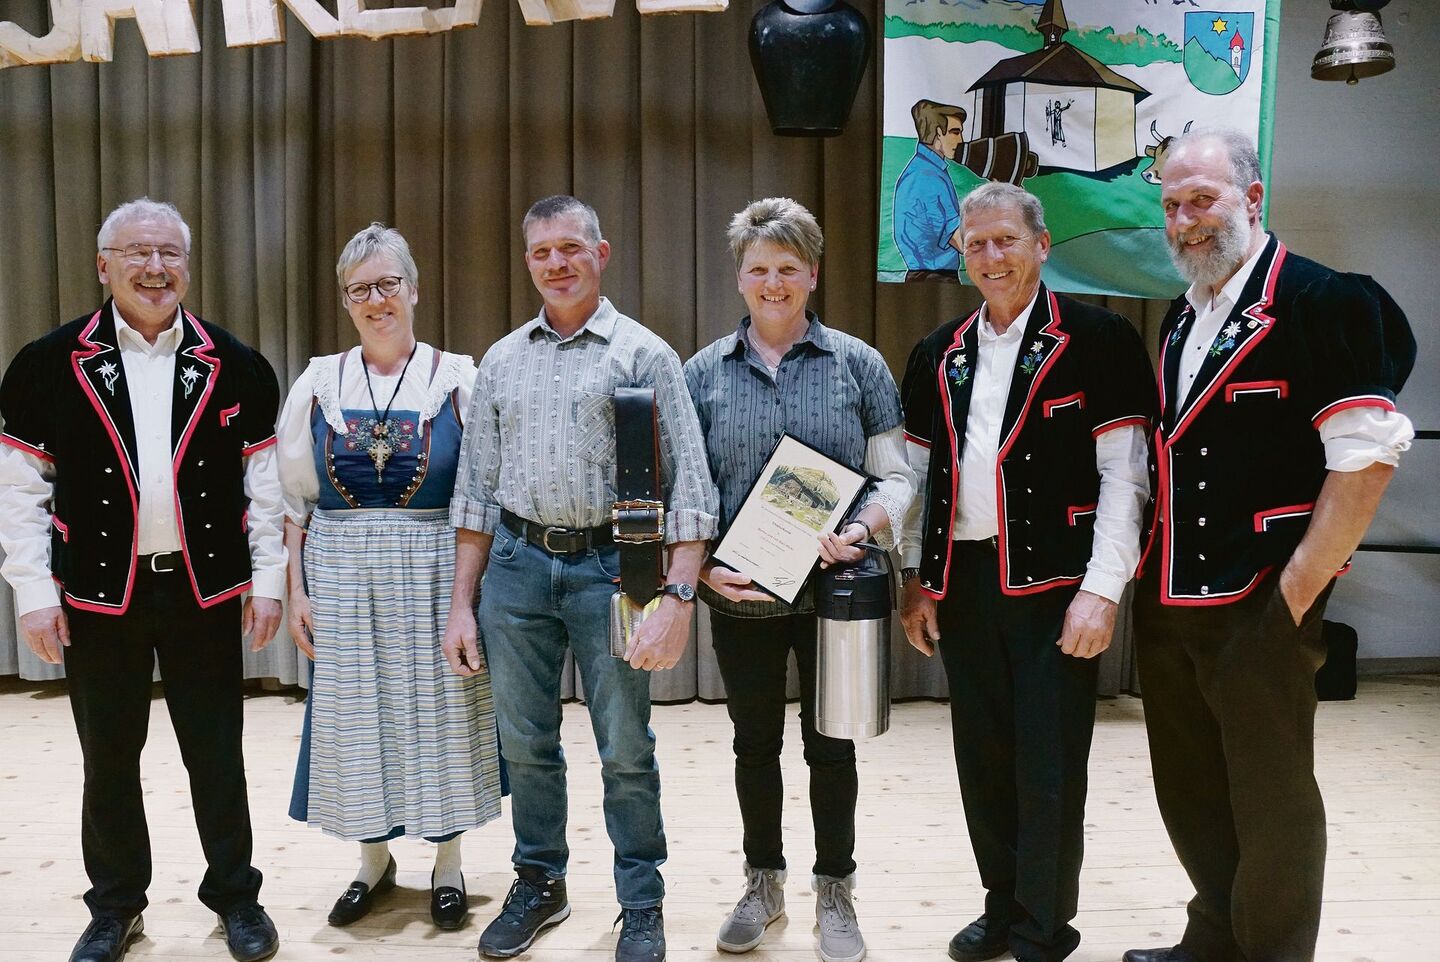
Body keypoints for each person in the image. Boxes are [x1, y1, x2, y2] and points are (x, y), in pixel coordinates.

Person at [1125, 129, 1416, 962]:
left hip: (1262, 601)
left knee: (1272, 796)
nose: (1185, 220)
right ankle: (1215, 932)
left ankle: (1275, 953)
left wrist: (1295, 591)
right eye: (1172, 205)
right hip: (1171, 596)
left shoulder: (1327, 300)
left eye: (1203, 200)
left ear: (1253, 199)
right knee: (1191, 787)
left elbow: (1365, 459)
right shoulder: (1185, 316)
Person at [0, 198, 284, 962]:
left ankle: (236, 897)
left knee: (217, 753)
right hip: (97, 594)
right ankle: (116, 906)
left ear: (186, 266)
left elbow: (265, 488)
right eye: (136, 252)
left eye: (168, 253)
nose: (154, 267)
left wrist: (269, 582)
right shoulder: (48, 362)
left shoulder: (235, 363)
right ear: (104, 266)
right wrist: (31, 593)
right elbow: (19, 488)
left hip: (203, 590)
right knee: (110, 757)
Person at [442, 195, 719, 962]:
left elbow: (691, 492)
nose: (557, 264)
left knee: (626, 745)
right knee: (525, 742)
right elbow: (475, 493)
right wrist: (461, 606)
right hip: (516, 569)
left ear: (601, 254)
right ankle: (540, 883)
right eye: (541, 253)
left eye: (571, 248)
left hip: (614, 570)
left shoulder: (644, 356)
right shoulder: (501, 359)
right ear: (527, 261)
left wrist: (678, 595)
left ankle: (642, 900)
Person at [898, 182, 1154, 962]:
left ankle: (1046, 927)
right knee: (982, 758)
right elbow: (914, 476)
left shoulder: (1099, 338)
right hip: (967, 583)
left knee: (1048, 766)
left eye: (1006, 239)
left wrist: (1102, 591)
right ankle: (1001, 905)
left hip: (1057, 587)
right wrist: (918, 576)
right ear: (960, 256)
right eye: (976, 244)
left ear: (1042, 245)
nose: (992, 256)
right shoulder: (938, 353)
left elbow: (1127, 477)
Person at [684, 197, 917, 962]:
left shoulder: (860, 365)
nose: (773, 282)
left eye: (788, 268)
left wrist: (865, 529)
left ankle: (836, 889)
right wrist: (711, 560)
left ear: (812, 273)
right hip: (741, 595)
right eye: (759, 269)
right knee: (754, 744)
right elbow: (687, 491)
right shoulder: (701, 374)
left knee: (833, 749)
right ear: (740, 277)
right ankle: (763, 883)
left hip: (836, 596)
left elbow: (896, 478)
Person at [276, 224, 503, 931]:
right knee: (357, 714)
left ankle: (447, 864)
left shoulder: (457, 377)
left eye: (387, 284)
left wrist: (470, 597)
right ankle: (372, 863)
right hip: (341, 570)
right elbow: (293, 501)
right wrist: (296, 592)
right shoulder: (318, 383)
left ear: (413, 290)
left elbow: (483, 494)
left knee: (442, 713)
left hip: (435, 565)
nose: (376, 301)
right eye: (360, 289)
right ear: (346, 301)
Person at [894, 99, 968, 278]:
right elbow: (959, 240)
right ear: (937, 134)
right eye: (955, 132)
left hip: (927, 276)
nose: (961, 140)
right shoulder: (928, 177)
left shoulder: (924, 170)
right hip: (935, 278)